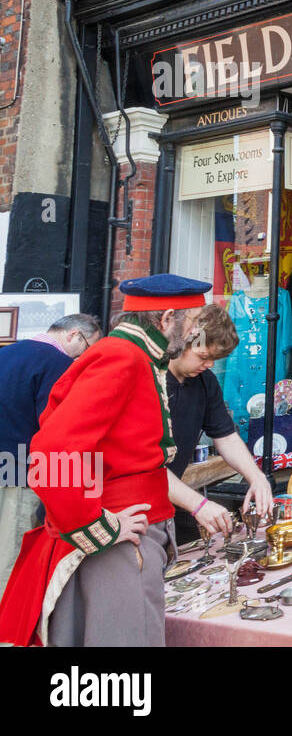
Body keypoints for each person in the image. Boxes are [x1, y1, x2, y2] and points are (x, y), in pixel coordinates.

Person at [0, 274, 213, 647]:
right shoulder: (121, 356)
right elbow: (52, 452)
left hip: (131, 530)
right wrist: (96, 525)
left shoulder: (138, 357)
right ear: (166, 319)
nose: (194, 332)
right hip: (119, 538)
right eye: (193, 321)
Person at [0, 314, 102, 596]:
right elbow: (55, 429)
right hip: (19, 471)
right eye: (88, 348)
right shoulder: (58, 363)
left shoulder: (8, 351)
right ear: (72, 335)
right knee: (10, 560)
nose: (85, 358)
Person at [163, 302, 274, 540]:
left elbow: (225, 436)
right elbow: (149, 467)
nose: (210, 364)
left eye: (216, 358)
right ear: (182, 342)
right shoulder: (152, 381)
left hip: (167, 500)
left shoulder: (205, 381)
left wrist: (256, 477)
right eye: (204, 356)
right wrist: (198, 504)